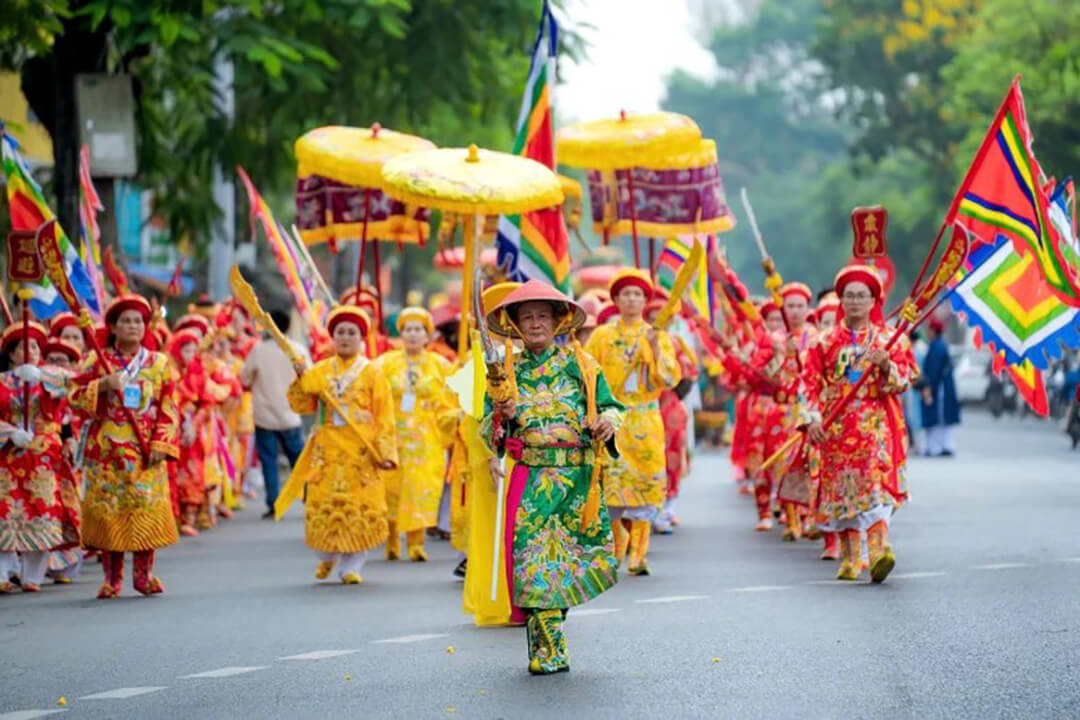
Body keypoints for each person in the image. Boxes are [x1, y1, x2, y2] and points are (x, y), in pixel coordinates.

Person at [483, 279, 622, 674]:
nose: (535, 323)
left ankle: (549, 642)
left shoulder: (582, 365)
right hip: (531, 478)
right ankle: (550, 649)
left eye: (542, 315)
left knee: (566, 564)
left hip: (576, 480)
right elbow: (487, 426)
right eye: (527, 317)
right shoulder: (504, 373)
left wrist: (606, 424)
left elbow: (613, 407)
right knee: (532, 562)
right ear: (514, 324)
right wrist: (501, 417)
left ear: (559, 320)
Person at [804, 266, 917, 583]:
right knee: (843, 492)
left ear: (873, 301)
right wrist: (811, 420)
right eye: (849, 296)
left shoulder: (888, 340)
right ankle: (851, 558)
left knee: (877, 487)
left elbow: (904, 380)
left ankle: (879, 552)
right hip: (836, 427)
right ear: (841, 300)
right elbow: (808, 383)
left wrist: (886, 366)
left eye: (861, 296)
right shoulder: (823, 342)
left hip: (875, 423)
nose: (855, 301)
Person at [275, 305, 398, 585]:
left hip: (360, 449)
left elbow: (385, 415)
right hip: (327, 449)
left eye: (351, 332)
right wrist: (300, 378)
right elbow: (302, 404)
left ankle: (352, 565)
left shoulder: (373, 373)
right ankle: (326, 556)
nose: (345, 337)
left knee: (360, 505)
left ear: (361, 337)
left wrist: (386, 451)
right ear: (332, 337)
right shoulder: (319, 371)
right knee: (324, 505)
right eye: (340, 332)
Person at [69, 294, 181, 599]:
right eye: (126, 321)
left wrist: (162, 442)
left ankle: (143, 577)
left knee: (145, 509)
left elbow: (169, 406)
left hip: (144, 451)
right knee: (109, 513)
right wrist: (102, 386)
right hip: (105, 453)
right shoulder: (96, 360)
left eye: (138, 321)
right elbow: (73, 398)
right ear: (114, 327)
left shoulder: (158, 364)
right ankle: (111, 579)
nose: (133, 326)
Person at [585, 268, 680, 576]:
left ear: (644, 301)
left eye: (638, 294)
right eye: (626, 294)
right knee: (610, 483)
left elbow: (668, 378)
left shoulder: (658, 336)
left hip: (645, 419)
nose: (632, 299)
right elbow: (587, 373)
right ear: (616, 299)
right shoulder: (602, 336)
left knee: (644, 483)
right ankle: (616, 545)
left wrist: (653, 348)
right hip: (612, 418)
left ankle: (639, 554)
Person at [372, 307, 458, 562]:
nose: (412, 334)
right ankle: (391, 539)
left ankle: (416, 542)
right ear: (401, 333)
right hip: (393, 435)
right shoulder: (384, 363)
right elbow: (371, 391)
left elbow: (454, 395)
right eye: (408, 329)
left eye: (418, 329)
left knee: (422, 489)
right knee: (391, 488)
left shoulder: (441, 365)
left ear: (427, 335)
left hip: (426, 439)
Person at [0, 323, 76, 593]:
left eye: (34, 346)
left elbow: (73, 384)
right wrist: (9, 432)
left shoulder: (51, 377)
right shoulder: (1, 382)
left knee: (42, 510)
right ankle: (4, 573)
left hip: (43, 458)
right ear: (11, 354)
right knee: (5, 512)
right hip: (8, 457)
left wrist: (41, 376)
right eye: (23, 347)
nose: (29, 351)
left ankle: (34, 575)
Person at [240, 309, 309, 519]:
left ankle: (274, 504)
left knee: (269, 461)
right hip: (291, 415)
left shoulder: (258, 351)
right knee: (299, 461)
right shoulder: (297, 350)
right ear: (288, 326)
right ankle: (311, 498)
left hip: (264, 416)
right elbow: (310, 378)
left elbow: (244, 379)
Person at [919, 316, 959, 457]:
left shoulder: (937, 346)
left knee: (937, 417)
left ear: (933, 331)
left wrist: (928, 388)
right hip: (943, 387)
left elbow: (933, 371)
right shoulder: (939, 345)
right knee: (943, 418)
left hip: (939, 389)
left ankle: (936, 447)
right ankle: (944, 446)